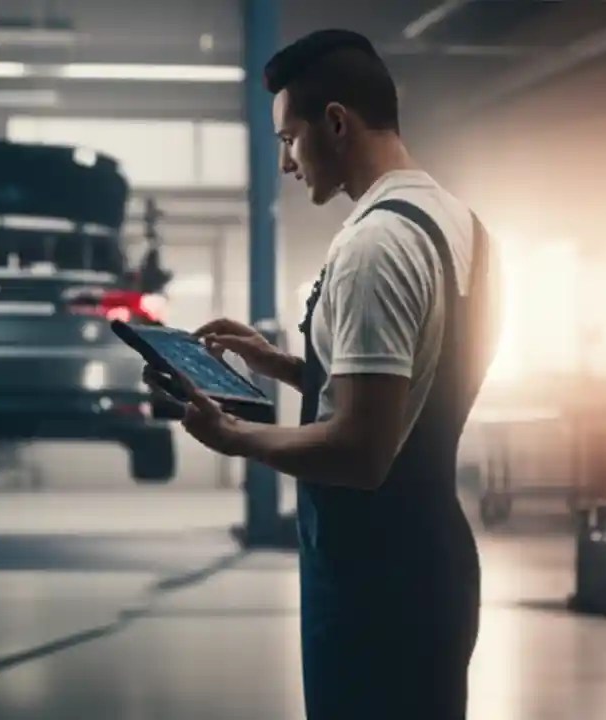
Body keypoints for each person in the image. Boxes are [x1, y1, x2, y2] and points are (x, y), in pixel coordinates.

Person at [145, 29, 499, 719]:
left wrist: (232, 437)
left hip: (375, 583)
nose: (284, 162)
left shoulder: (374, 246)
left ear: (336, 123)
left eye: (287, 139)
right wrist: (278, 364)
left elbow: (362, 451)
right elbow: (414, 385)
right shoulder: (463, 225)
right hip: (432, 564)